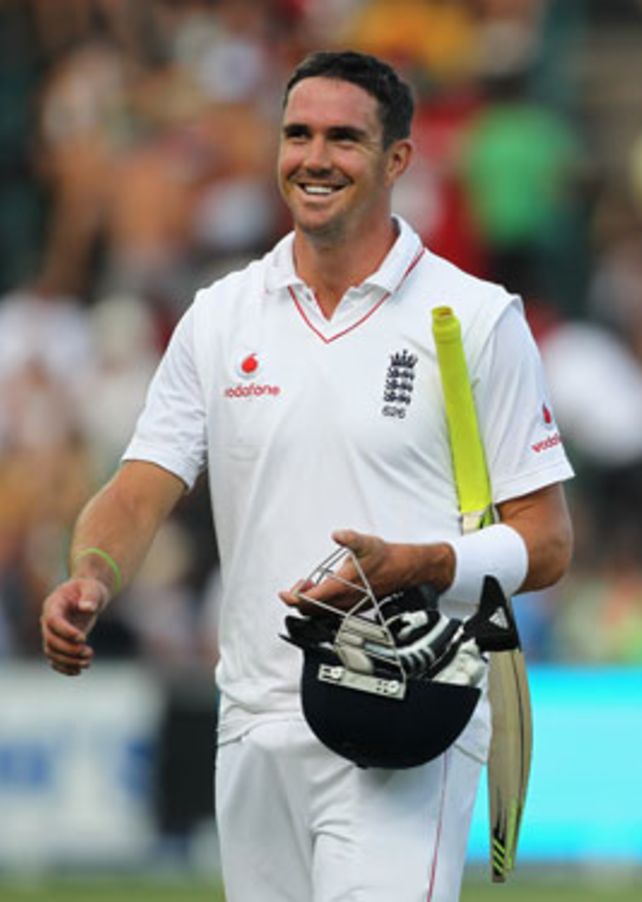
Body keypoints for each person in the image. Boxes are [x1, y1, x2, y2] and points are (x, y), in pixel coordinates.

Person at [39, 50, 574, 902]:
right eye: (297, 135)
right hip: (252, 719)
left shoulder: (474, 317)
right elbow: (141, 486)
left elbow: (546, 542)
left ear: (398, 158)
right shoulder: (220, 315)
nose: (314, 158)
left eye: (343, 138)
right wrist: (92, 578)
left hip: (405, 709)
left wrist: (424, 564)